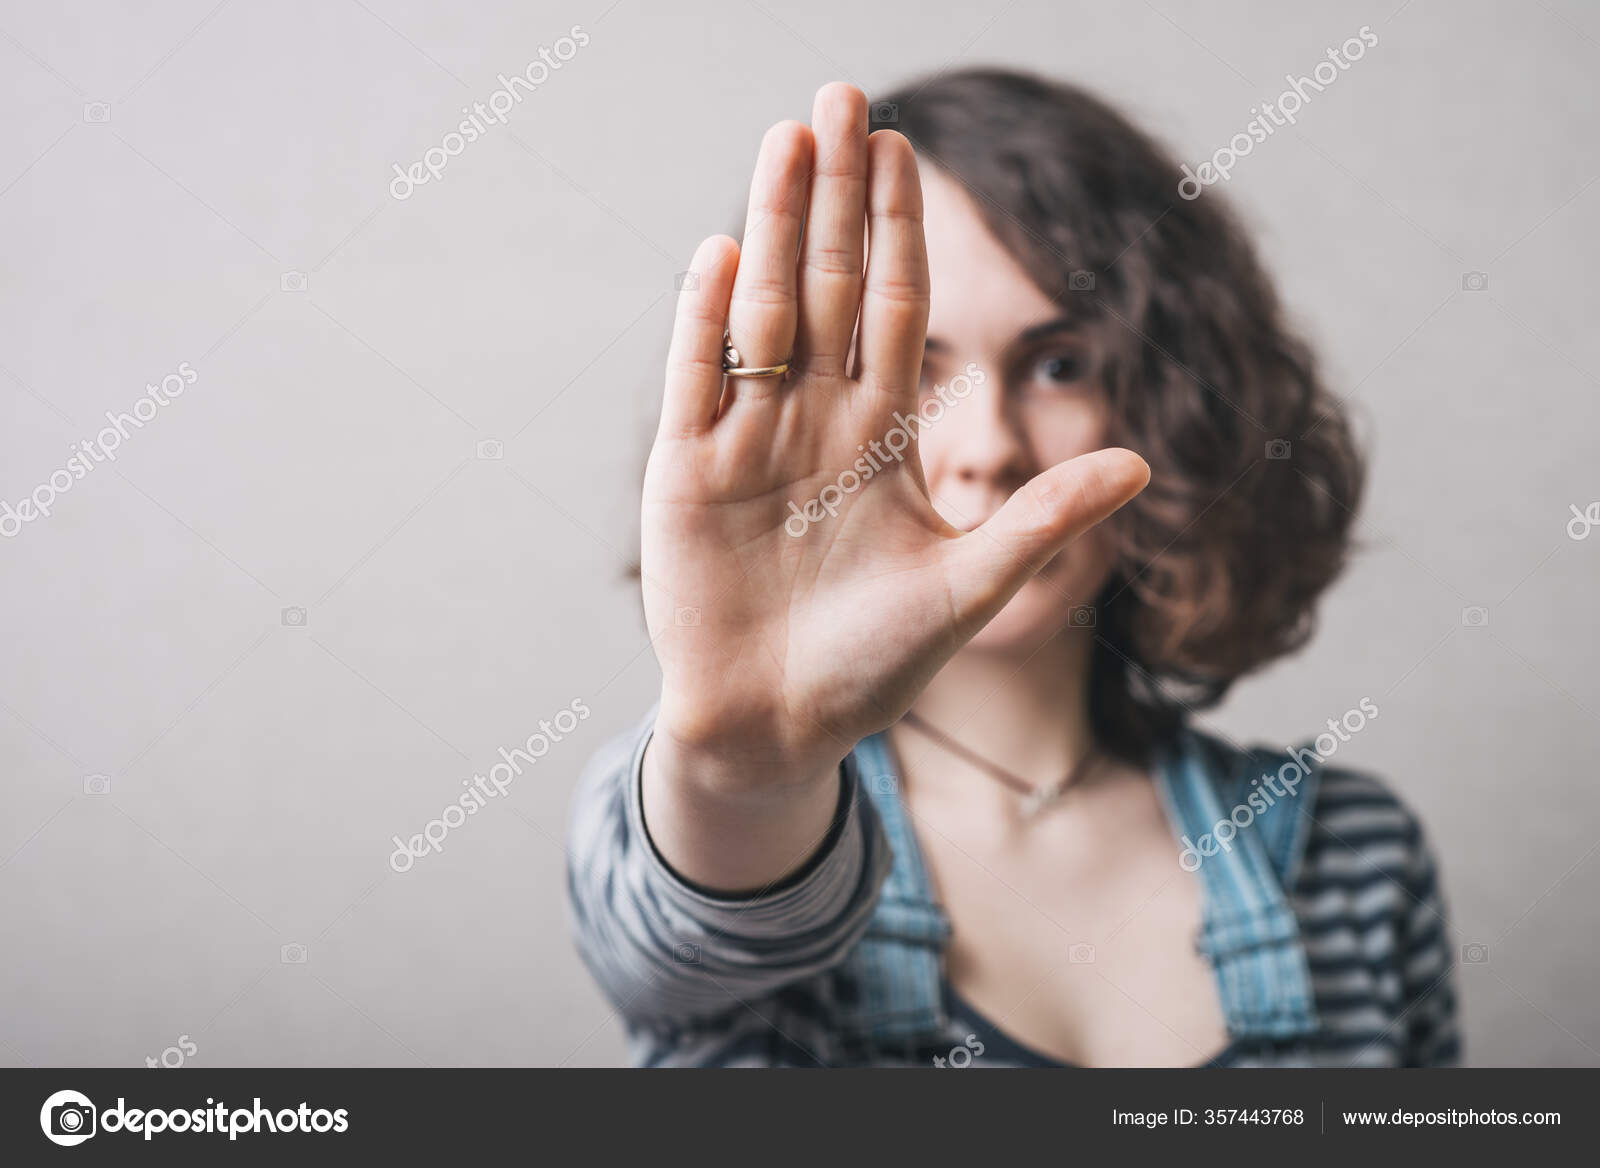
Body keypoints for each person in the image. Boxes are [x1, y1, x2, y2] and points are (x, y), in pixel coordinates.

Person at [564, 70, 1459, 1067]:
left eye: (1059, 363)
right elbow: (686, 936)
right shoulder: (693, 805)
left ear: (1171, 407)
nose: (987, 445)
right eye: (912, 367)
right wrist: (744, 768)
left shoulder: (1356, 860)